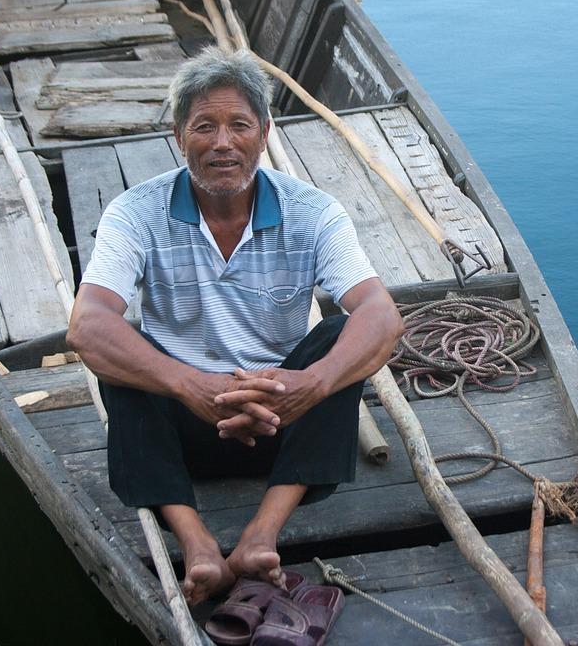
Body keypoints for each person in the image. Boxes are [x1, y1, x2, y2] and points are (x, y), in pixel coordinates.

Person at [66, 45, 403, 606]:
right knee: (121, 351)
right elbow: (86, 326)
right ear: (179, 135)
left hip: (280, 417)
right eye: (204, 126)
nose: (222, 143)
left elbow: (383, 316)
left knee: (342, 338)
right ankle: (196, 542)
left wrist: (309, 386)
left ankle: (259, 535)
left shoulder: (314, 211)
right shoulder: (135, 211)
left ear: (265, 132)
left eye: (239, 125)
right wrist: (188, 384)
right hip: (184, 424)